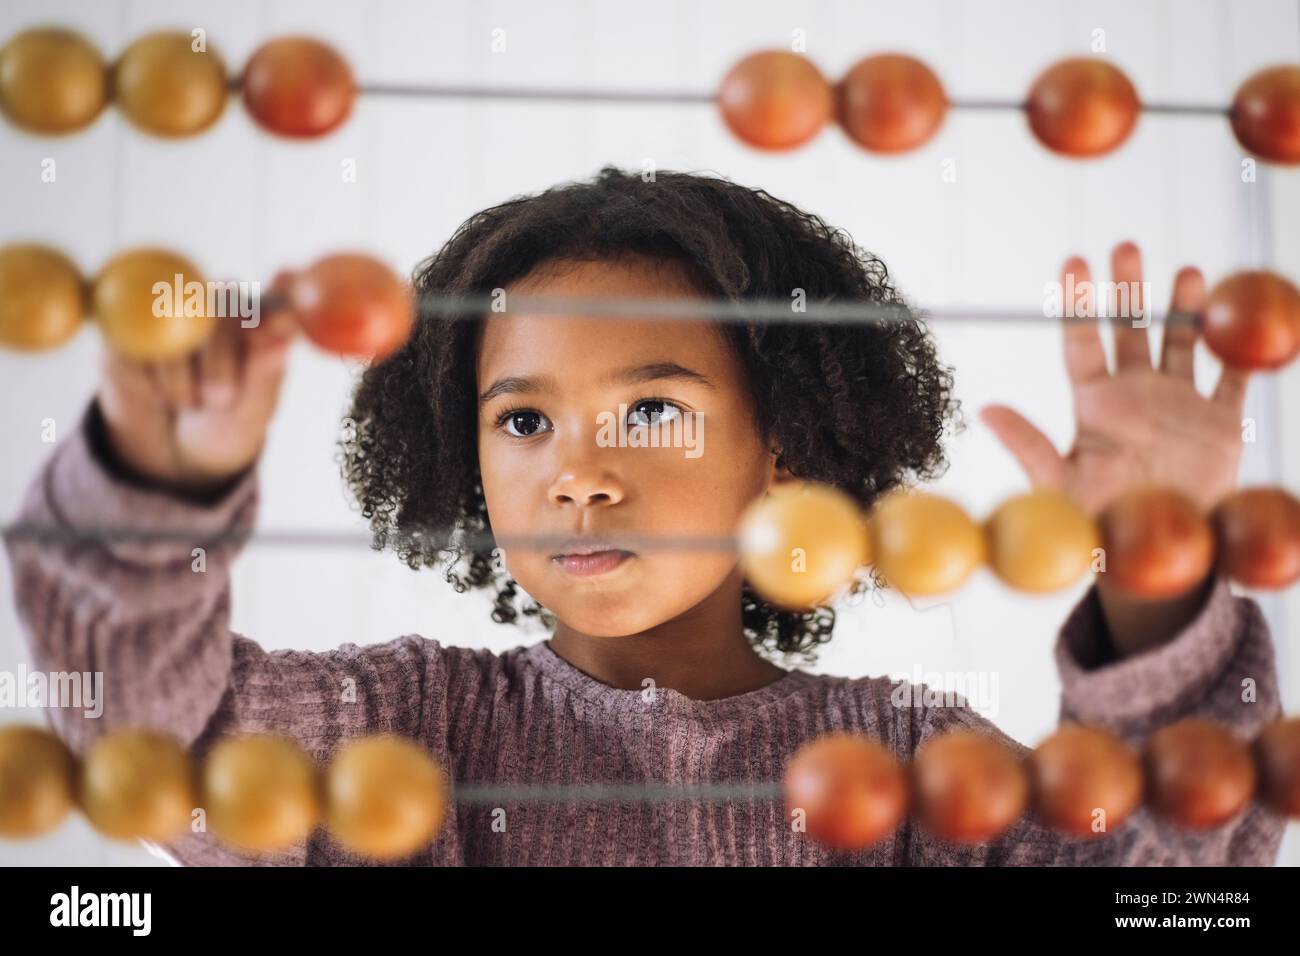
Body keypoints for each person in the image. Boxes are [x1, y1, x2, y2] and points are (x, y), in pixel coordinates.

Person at [5, 167, 1283, 865]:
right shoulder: (394, 729)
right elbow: (144, 735)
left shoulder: (912, 766)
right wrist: (157, 487)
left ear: (781, 440)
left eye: (654, 409)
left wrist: (1155, 570)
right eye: (522, 421)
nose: (578, 474)